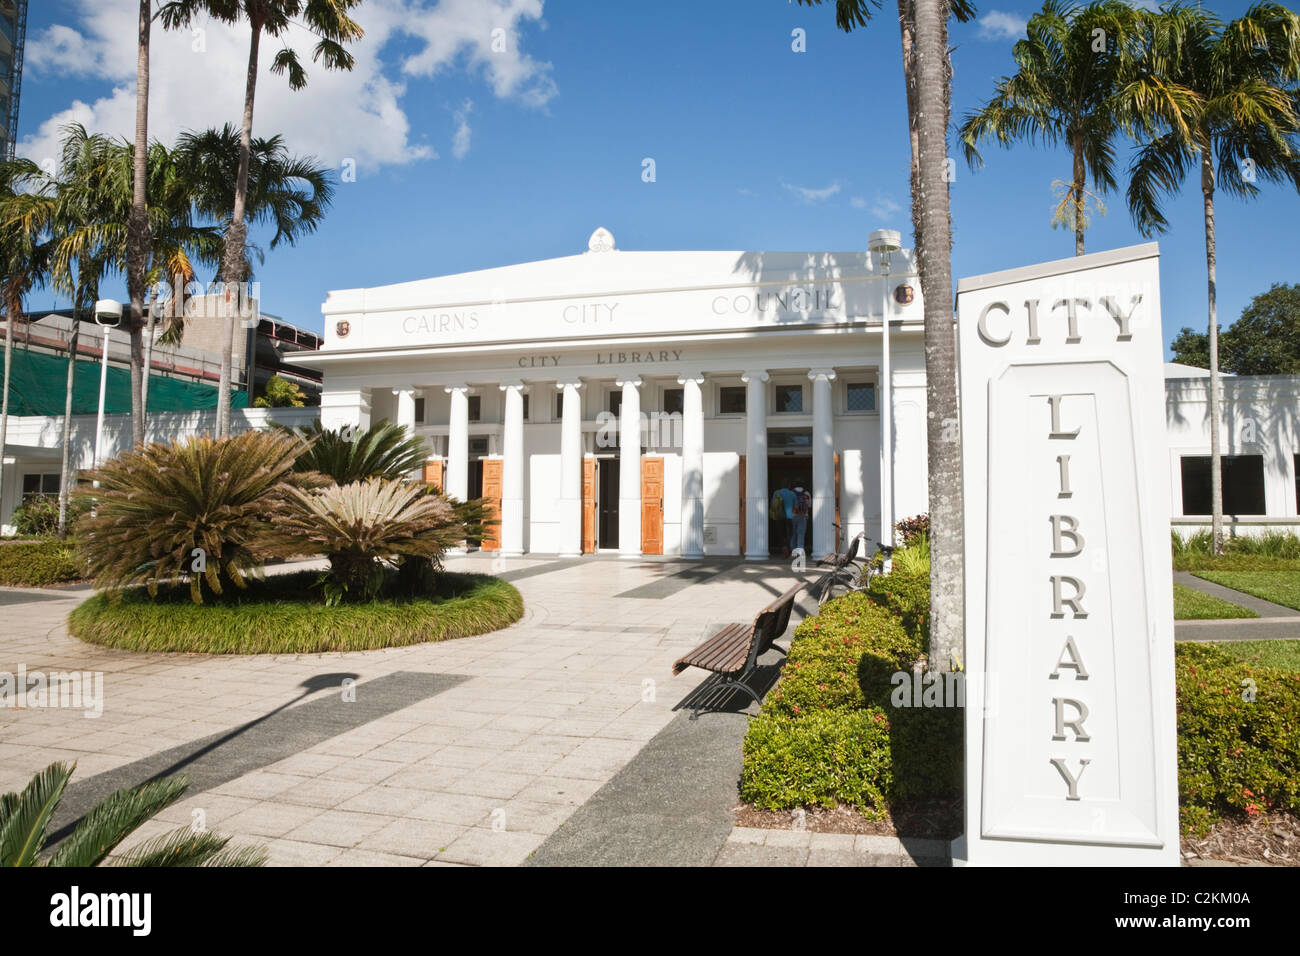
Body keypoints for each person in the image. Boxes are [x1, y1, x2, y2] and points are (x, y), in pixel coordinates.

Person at [773, 486, 796, 557]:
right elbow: (796, 506)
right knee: (789, 534)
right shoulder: (792, 493)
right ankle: (788, 549)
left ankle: (784, 549)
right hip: (790, 517)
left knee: (781, 534)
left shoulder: (776, 493)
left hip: (779, 517)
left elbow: (773, 504)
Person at [790, 484, 811, 555]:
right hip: (803, 515)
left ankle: (793, 551)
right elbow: (809, 505)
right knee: (801, 534)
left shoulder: (791, 493)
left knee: (793, 534)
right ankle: (800, 551)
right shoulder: (807, 493)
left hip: (793, 515)